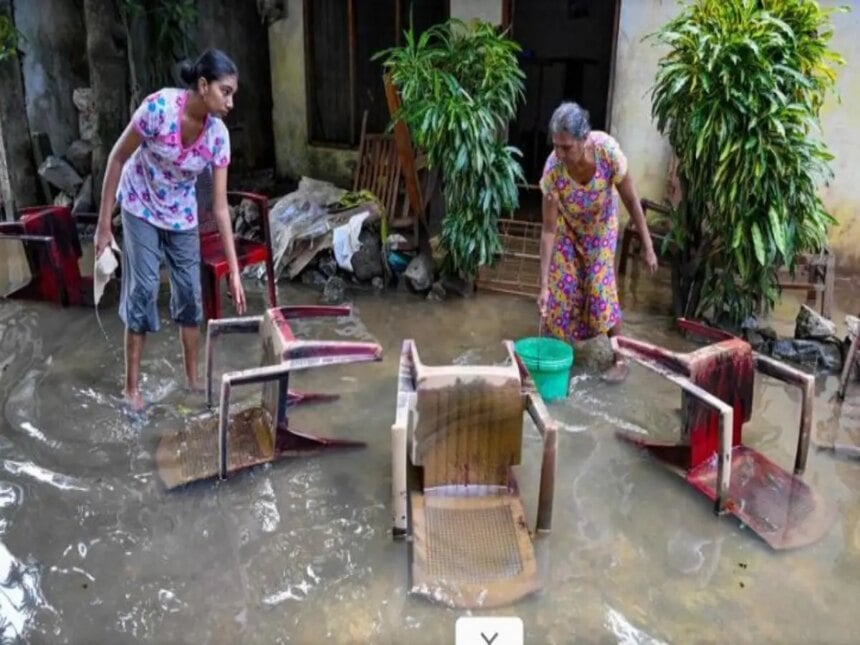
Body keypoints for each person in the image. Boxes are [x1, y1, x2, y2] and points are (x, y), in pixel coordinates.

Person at [94, 49, 247, 411]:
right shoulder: (159, 109)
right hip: (139, 205)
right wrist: (103, 226)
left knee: (191, 295)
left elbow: (220, 208)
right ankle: (131, 389)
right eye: (225, 92)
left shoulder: (218, 136)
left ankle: (192, 381)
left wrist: (235, 271)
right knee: (144, 288)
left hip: (181, 214)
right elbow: (117, 157)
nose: (231, 102)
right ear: (203, 85)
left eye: (233, 94)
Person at [538, 102, 658, 382]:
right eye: (556, 146)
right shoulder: (553, 170)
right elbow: (548, 230)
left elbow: (631, 200)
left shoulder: (608, 153)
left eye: (566, 147)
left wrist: (648, 245)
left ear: (584, 139)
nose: (559, 153)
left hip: (601, 228)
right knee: (561, 288)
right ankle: (559, 355)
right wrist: (543, 284)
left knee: (599, 286)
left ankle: (620, 357)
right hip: (568, 228)